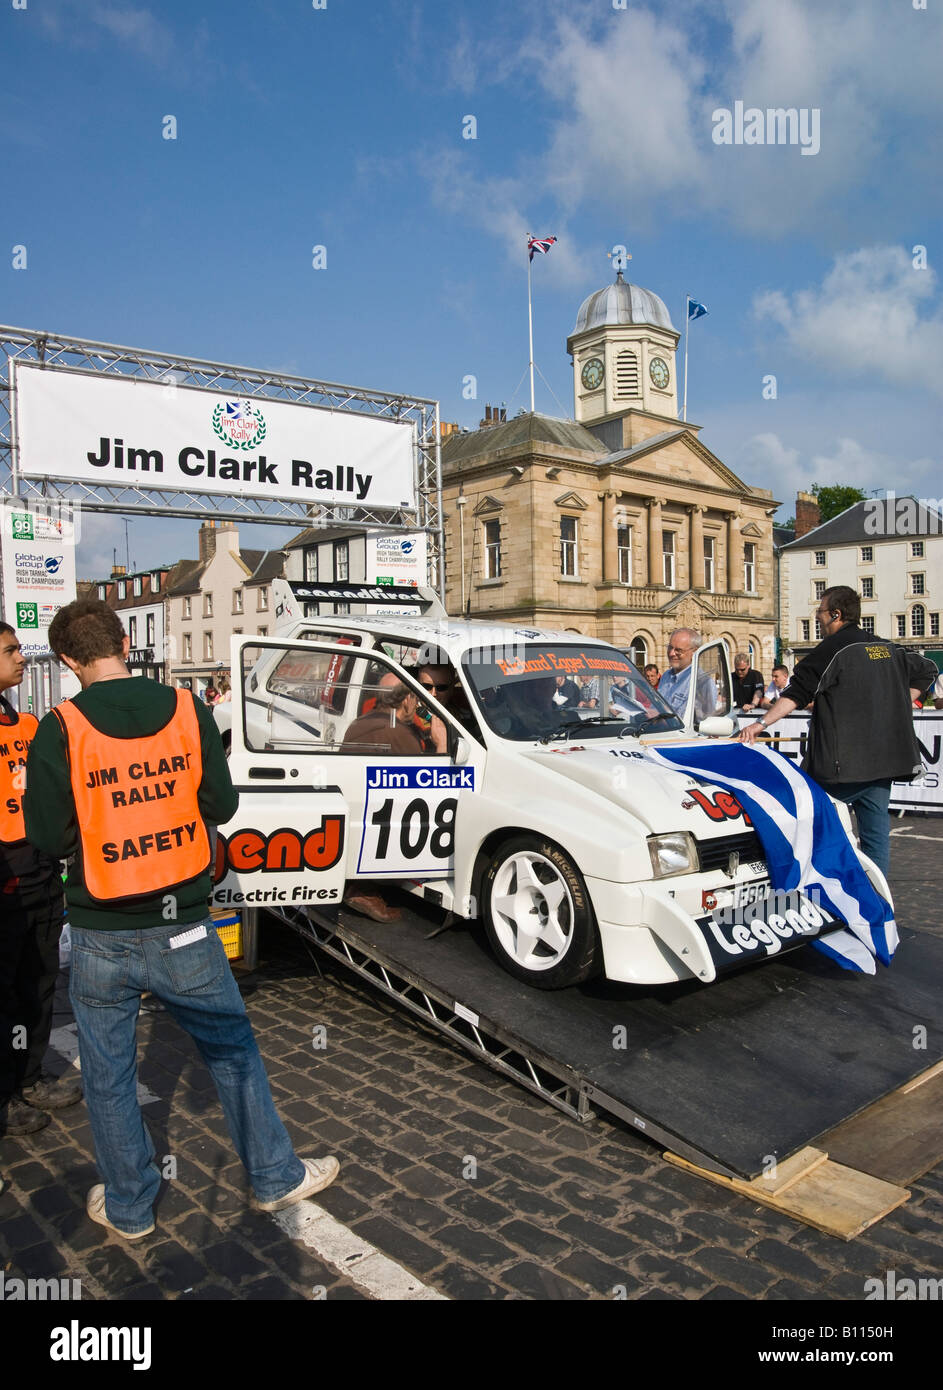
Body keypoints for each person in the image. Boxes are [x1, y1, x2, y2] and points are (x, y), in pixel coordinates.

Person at [23, 600, 337, 1239]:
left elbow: (50, 836)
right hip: (184, 922)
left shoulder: (59, 727)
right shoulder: (189, 710)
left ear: (67, 659)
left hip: (101, 928)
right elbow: (222, 801)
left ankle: (132, 1206)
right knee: (230, 1050)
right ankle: (275, 1176)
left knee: (108, 1074)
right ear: (123, 640)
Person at [740, 586, 936, 880]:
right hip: (883, 763)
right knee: (875, 837)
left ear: (836, 614)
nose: (817, 618)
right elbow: (927, 669)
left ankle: (817, 889)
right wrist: (904, 698)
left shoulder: (833, 650)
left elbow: (797, 692)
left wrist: (761, 723)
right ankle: (876, 898)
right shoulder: (885, 646)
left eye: (820, 611)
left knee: (809, 823)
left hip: (842, 765)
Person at [0, 622, 82, 1138]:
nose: (21, 657)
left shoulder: (23, 722)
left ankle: (28, 1079)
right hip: (4, 876)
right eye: (9, 651)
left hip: (40, 870)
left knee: (39, 981)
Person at [657, 628, 716, 722]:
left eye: (678, 650)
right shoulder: (665, 676)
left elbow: (706, 724)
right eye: (670, 647)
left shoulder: (702, 683)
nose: (672, 653)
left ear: (695, 652)